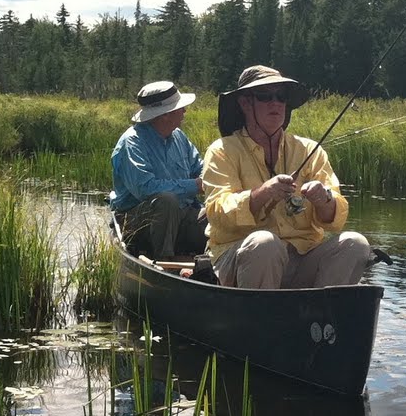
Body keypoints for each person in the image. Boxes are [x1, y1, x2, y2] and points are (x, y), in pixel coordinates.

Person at [202, 65, 371, 288]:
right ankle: (261, 319)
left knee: (356, 244)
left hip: (303, 258)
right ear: (245, 103)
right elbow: (217, 213)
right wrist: (263, 193)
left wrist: (324, 199)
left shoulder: (310, 150)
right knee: (265, 244)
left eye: (281, 96)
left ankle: (323, 316)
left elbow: (335, 219)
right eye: (265, 96)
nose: (276, 103)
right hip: (241, 258)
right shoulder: (222, 150)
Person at [109, 80, 207, 261]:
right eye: (180, 108)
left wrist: (205, 181)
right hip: (138, 224)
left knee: (217, 213)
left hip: (182, 215)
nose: (184, 111)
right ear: (165, 115)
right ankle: (165, 262)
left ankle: (211, 263)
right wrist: (194, 186)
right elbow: (146, 188)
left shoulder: (179, 136)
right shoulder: (132, 143)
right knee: (166, 200)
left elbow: (200, 167)